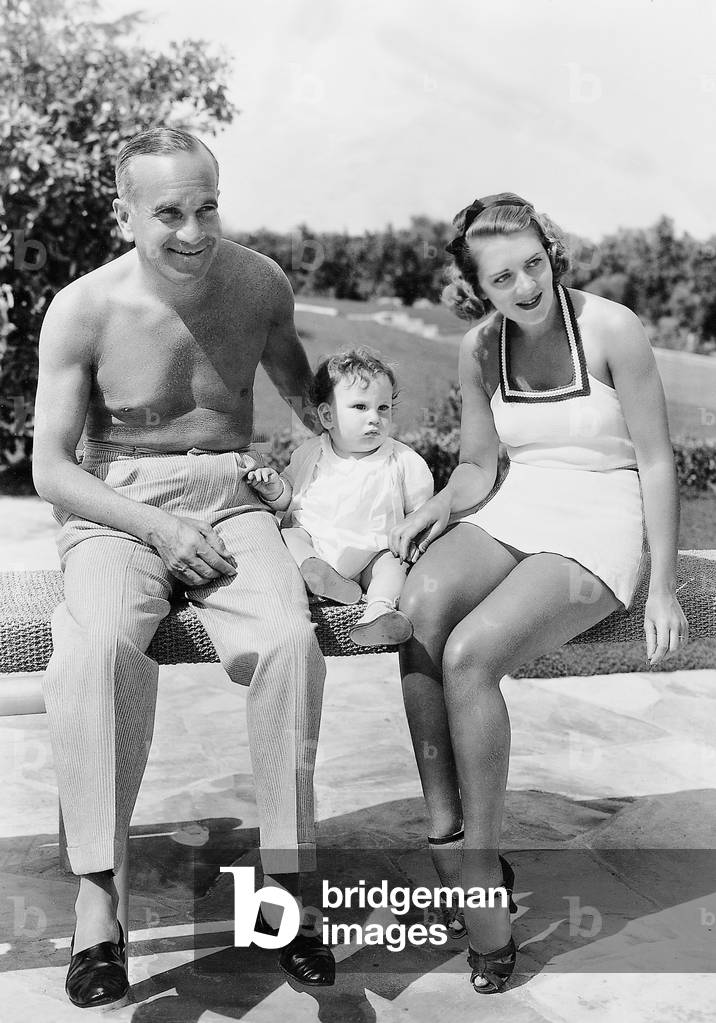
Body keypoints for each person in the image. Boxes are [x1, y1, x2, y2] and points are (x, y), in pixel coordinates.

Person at [31, 127, 335, 1008]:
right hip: (116, 502)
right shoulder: (82, 308)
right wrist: (154, 530)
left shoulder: (260, 284)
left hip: (233, 494)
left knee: (287, 641)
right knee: (94, 656)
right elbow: (53, 470)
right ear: (124, 210)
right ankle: (100, 904)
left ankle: (286, 889)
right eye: (168, 212)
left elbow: (312, 409)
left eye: (207, 206)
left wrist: (318, 488)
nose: (193, 231)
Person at [390, 193, 689, 994]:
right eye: (501, 279)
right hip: (520, 503)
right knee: (416, 611)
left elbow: (657, 460)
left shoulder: (613, 328)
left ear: (552, 251)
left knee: (471, 652)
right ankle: (446, 829)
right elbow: (481, 466)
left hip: (601, 511)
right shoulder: (479, 350)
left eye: (533, 264)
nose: (524, 287)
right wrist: (438, 503)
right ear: (476, 289)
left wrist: (661, 585)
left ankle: (482, 872)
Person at [244, 348, 434, 647]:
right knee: (290, 536)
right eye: (360, 407)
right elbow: (288, 497)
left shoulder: (404, 461)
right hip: (318, 548)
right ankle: (320, 576)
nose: (375, 418)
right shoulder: (311, 453)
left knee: (392, 564)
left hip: (373, 553)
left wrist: (412, 535)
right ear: (327, 415)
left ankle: (378, 609)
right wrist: (273, 488)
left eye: (383, 408)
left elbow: (421, 512)